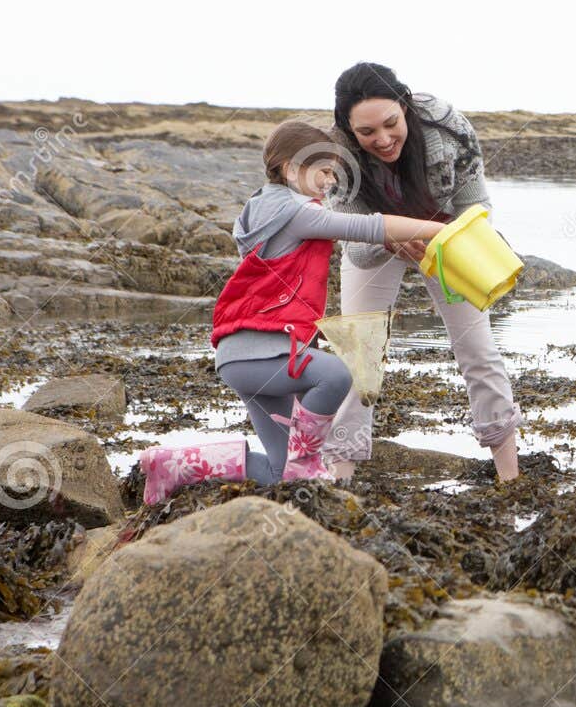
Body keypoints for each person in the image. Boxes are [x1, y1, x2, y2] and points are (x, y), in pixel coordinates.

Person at [137, 121, 446, 503]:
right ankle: (308, 459)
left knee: (281, 475)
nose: (331, 181)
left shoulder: (259, 210)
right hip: (262, 354)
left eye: (334, 172)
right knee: (337, 374)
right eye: (324, 170)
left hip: (245, 357)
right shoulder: (297, 214)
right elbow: (369, 227)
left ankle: (170, 464)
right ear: (289, 168)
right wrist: (440, 230)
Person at [323, 62, 524, 480]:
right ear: (348, 129)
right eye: (367, 133)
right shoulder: (335, 156)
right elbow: (354, 250)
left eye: (391, 123)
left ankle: (510, 478)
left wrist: (450, 239)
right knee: (359, 354)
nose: (382, 139)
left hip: (447, 240)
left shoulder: (446, 126)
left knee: (479, 351)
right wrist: (389, 238)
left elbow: (477, 205)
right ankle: (339, 481)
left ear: (406, 105)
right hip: (376, 242)